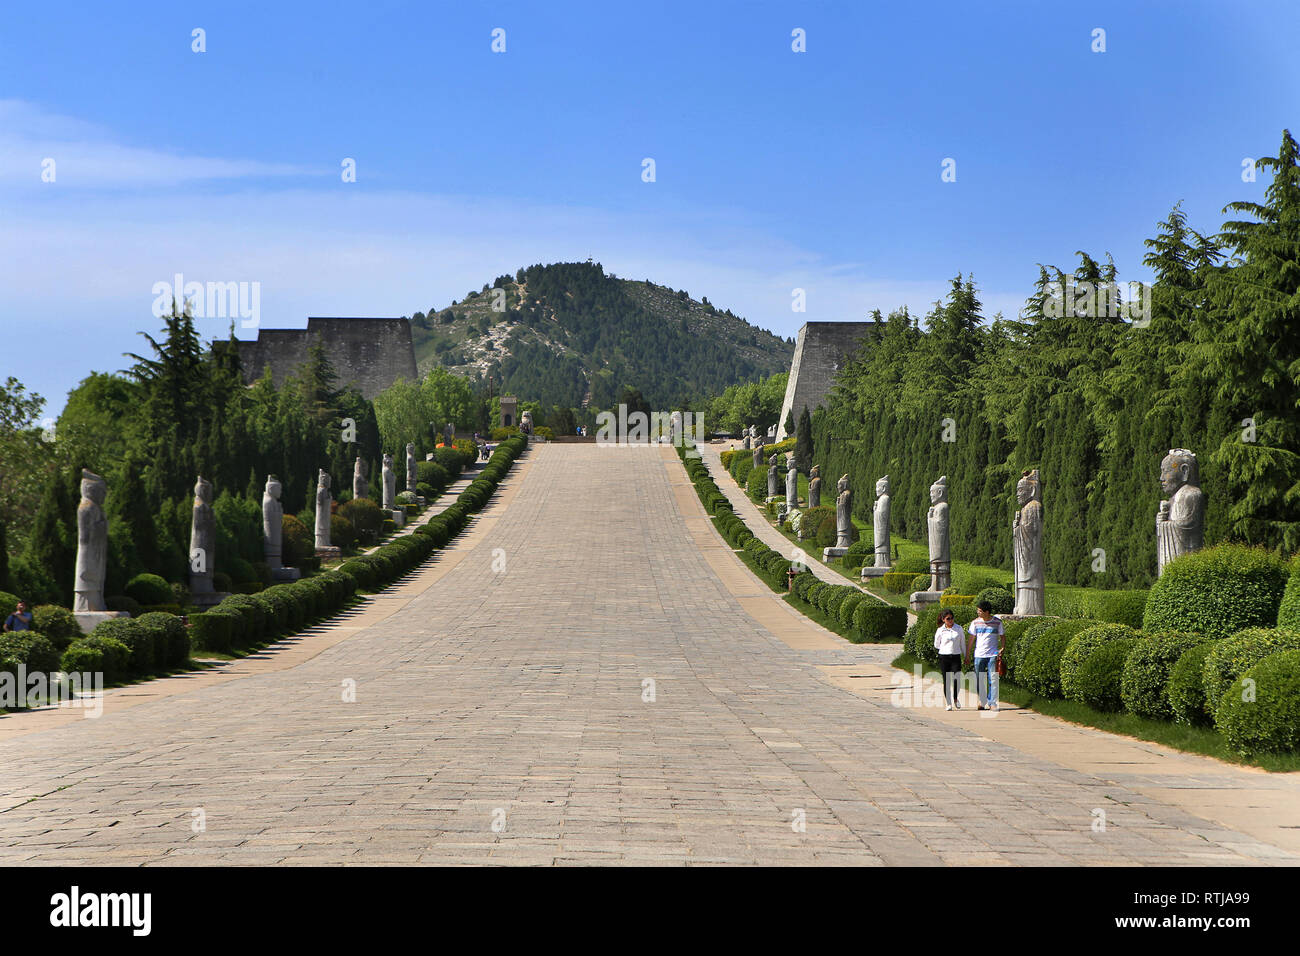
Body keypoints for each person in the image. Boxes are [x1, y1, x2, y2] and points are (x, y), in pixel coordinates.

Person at [966, 600, 1005, 711]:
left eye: (980, 611)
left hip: (993, 654)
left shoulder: (998, 622)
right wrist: (967, 655)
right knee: (979, 678)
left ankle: (992, 702)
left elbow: (1002, 636)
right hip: (979, 654)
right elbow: (971, 640)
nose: (978, 612)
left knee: (993, 678)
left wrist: (1002, 648)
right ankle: (982, 701)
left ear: (987, 612)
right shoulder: (975, 623)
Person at [933, 609, 966, 711]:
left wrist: (966, 656)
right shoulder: (940, 630)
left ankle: (955, 698)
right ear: (943, 620)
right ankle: (948, 703)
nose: (950, 620)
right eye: (948, 619)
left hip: (955, 656)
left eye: (952, 618)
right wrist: (945, 648)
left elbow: (962, 643)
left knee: (957, 679)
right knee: (946, 680)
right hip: (944, 657)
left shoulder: (959, 629)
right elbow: (936, 644)